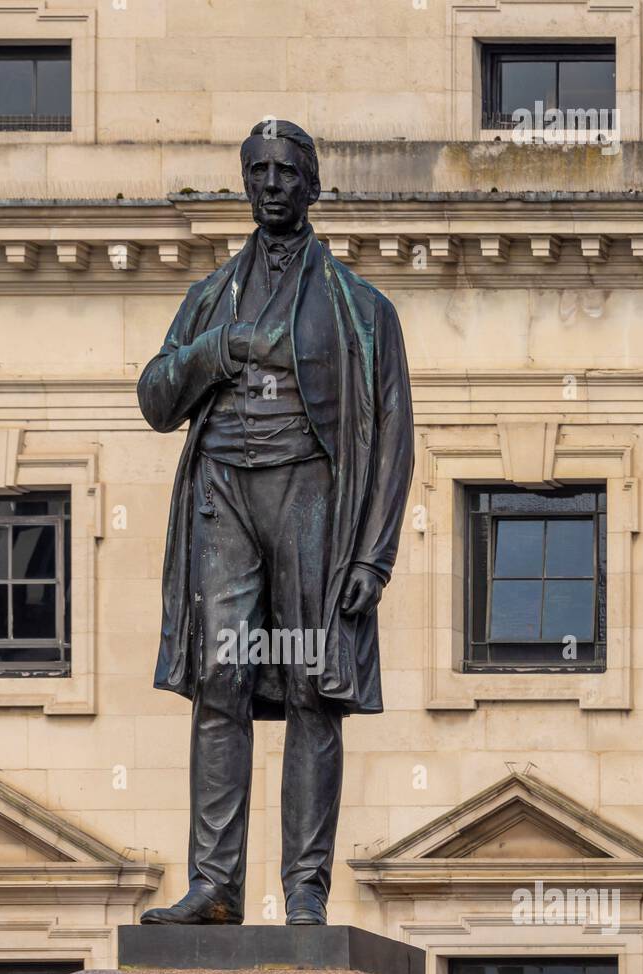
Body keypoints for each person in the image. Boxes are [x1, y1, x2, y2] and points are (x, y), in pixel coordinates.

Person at [137, 119, 414, 928]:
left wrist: (375, 554)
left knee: (308, 685)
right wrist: (214, 350)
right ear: (245, 184)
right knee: (219, 681)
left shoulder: (362, 307)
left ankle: (304, 892)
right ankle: (215, 884)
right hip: (223, 495)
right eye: (257, 170)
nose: (271, 183)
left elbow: (392, 432)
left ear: (313, 185)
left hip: (310, 499)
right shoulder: (209, 297)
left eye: (287, 171)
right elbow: (156, 398)